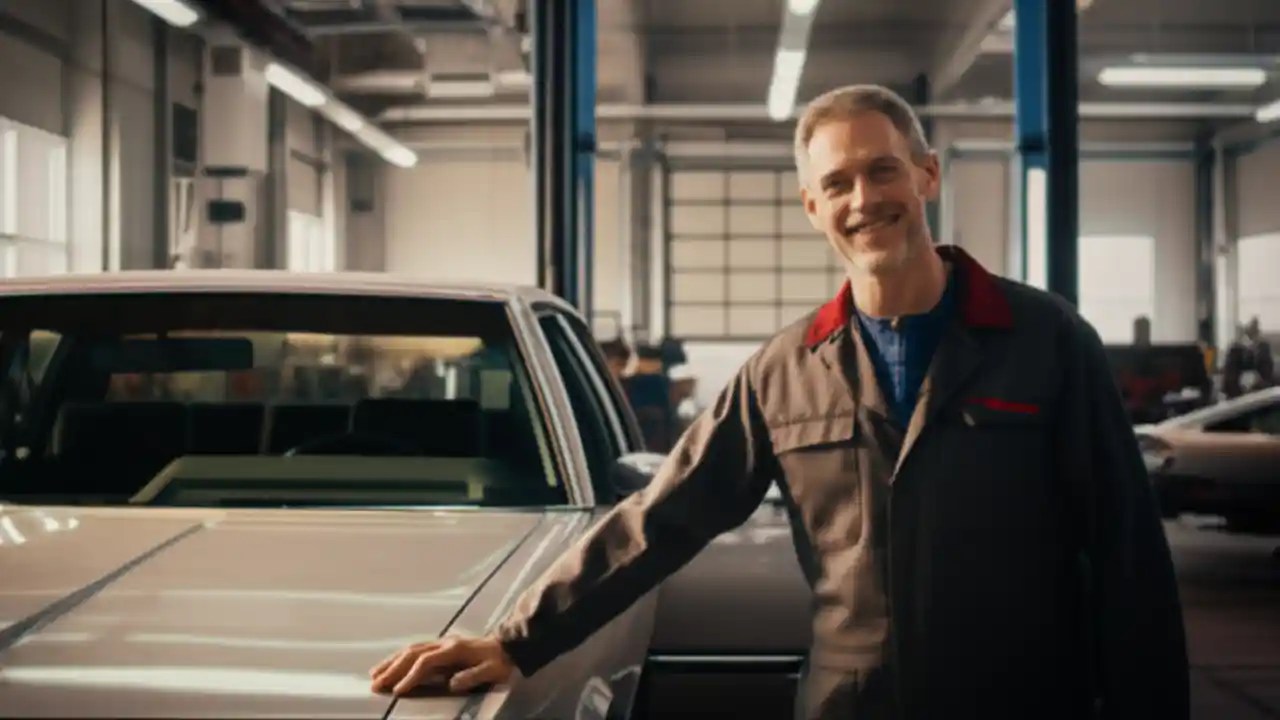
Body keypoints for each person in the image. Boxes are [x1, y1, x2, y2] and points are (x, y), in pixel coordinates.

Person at [369, 84, 1189, 719]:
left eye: (883, 169)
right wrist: (518, 640)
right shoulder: (784, 370)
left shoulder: (1045, 341)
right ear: (811, 207)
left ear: (927, 173)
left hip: (1025, 702)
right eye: (837, 182)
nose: (864, 198)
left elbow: (1129, 558)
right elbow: (665, 516)